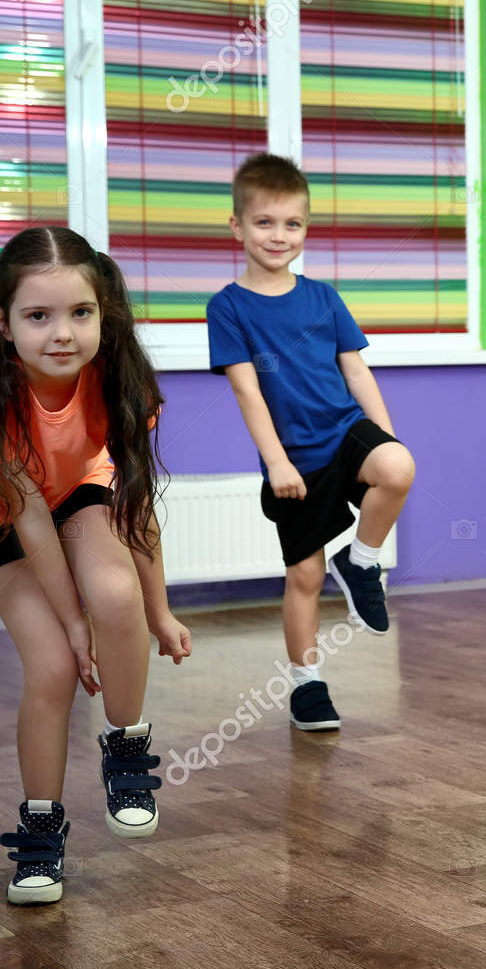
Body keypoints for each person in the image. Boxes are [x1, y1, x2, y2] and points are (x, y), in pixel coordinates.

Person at [0, 226, 190, 905]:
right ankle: (41, 832)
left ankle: (126, 742)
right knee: (52, 665)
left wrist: (159, 609)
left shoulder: (118, 381)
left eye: (80, 313)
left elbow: (135, 499)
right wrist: (74, 630)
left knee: (118, 596)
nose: (63, 333)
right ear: (2, 322)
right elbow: (28, 522)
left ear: (102, 313)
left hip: (76, 495)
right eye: (38, 316)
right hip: (0, 522)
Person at [207, 153, 415, 731]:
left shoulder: (324, 298)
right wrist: (276, 463)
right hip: (295, 459)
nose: (279, 236)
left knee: (397, 466)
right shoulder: (228, 307)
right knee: (304, 575)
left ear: (306, 229)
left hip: (347, 430)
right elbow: (248, 393)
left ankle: (363, 560)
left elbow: (357, 373)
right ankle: (306, 684)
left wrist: (384, 439)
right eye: (264, 222)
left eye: (292, 224)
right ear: (238, 226)